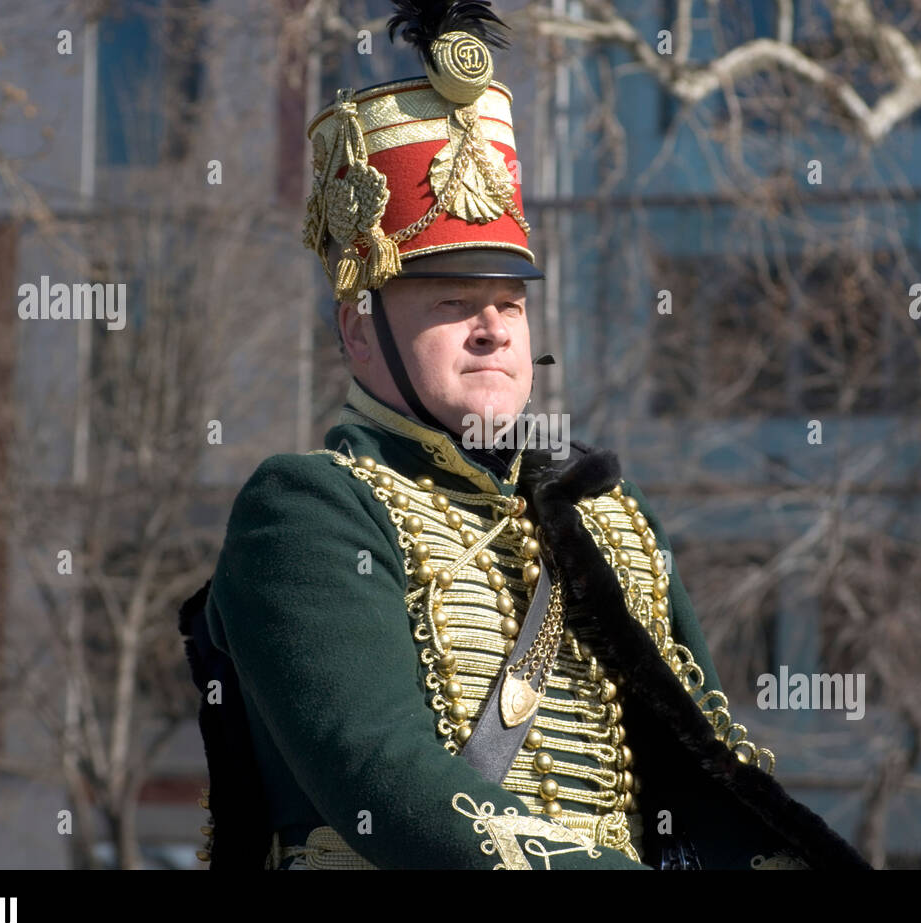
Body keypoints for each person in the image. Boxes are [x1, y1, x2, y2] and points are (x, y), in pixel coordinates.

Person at [189, 0, 868, 870]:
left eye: (509, 304)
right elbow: (385, 783)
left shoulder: (612, 522)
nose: (494, 331)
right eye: (451, 305)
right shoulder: (310, 510)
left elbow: (707, 784)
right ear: (359, 332)